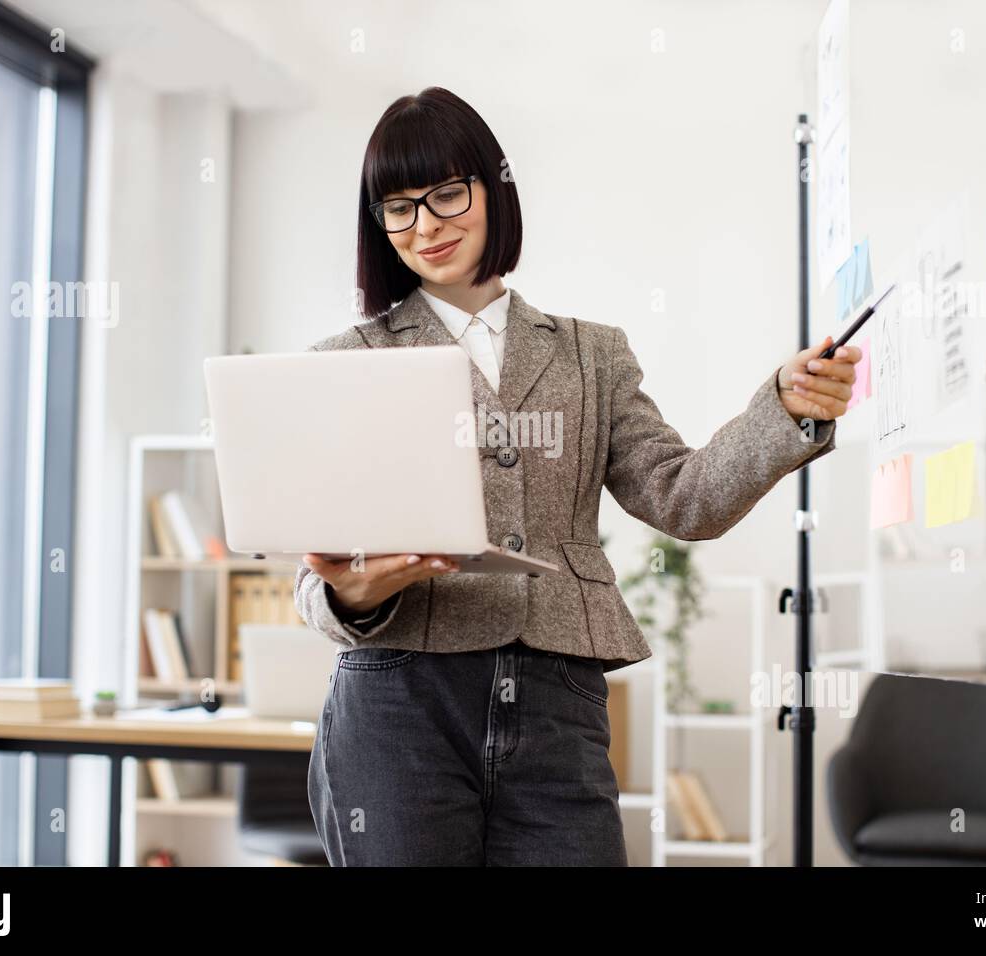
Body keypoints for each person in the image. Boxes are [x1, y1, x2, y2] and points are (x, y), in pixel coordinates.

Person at [297, 87, 861, 866]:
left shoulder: (592, 354)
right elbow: (315, 572)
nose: (425, 225)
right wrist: (345, 596)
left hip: (557, 700)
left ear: (494, 190)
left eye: (447, 194)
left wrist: (785, 410)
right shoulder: (344, 362)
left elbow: (684, 498)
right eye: (398, 207)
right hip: (399, 703)